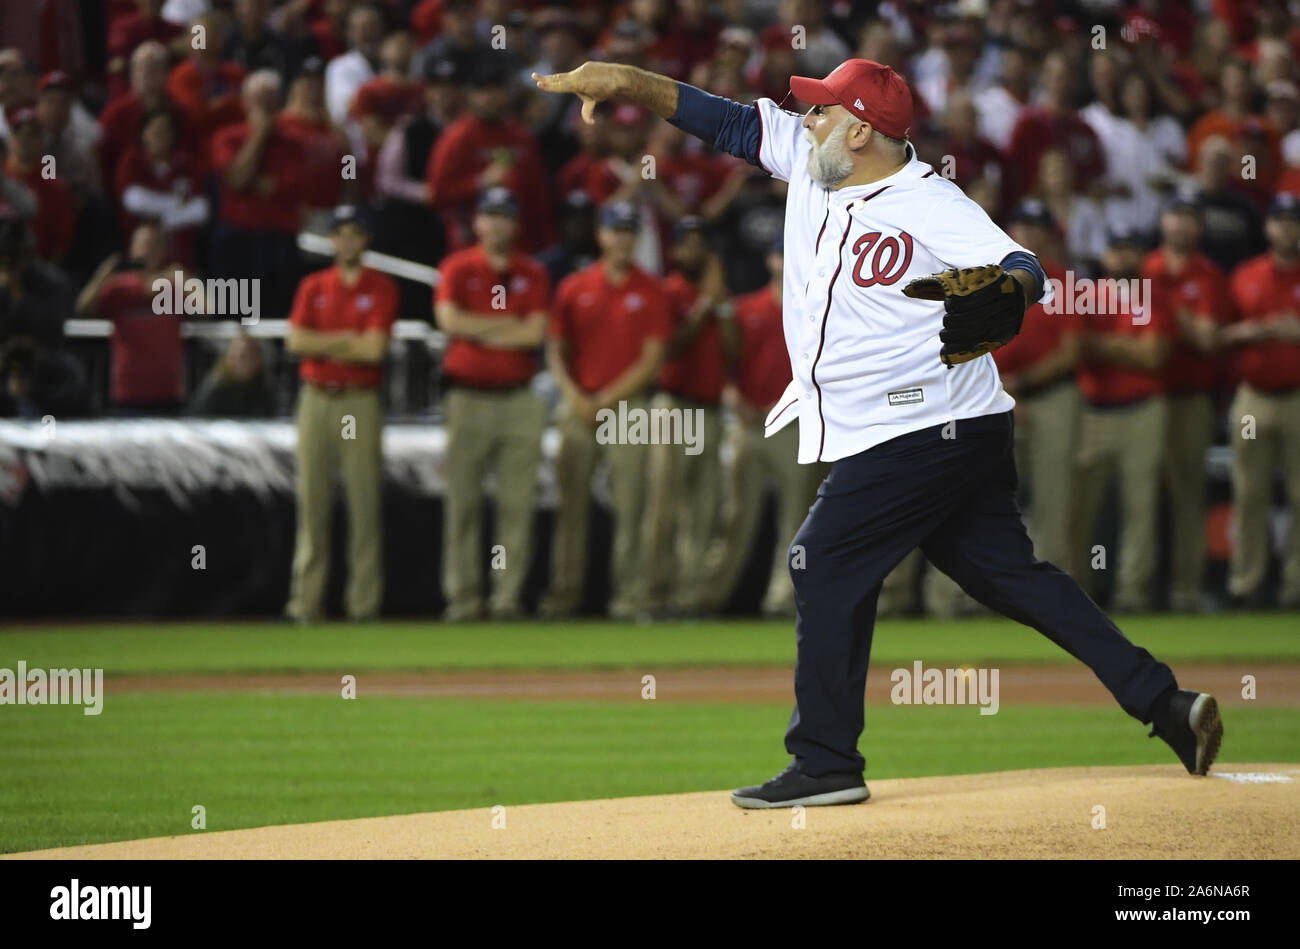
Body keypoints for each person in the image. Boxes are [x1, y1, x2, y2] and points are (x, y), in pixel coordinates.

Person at [533, 56, 1223, 809]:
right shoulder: (812, 160)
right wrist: (620, 81)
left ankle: (826, 760)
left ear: (859, 131)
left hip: (927, 423)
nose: (807, 118)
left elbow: (1020, 264)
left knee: (820, 560)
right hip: (942, 424)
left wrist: (1012, 292)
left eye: (823, 109)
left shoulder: (928, 200)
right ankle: (1166, 703)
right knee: (1007, 575)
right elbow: (719, 118)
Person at [541, 202, 671, 620]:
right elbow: (556, 350)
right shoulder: (575, 286)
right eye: (615, 230)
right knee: (570, 506)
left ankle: (629, 598)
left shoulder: (651, 289)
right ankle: (565, 595)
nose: (622, 239)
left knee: (632, 506)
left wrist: (604, 400)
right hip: (579, 403)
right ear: (601, 235)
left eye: (629, 231)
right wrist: (576, 396)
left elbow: (652, 359)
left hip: (628, 408)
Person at [434, 188, 550, 621]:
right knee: (462, 503)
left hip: (519, 398)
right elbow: (449, 322)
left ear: (515, 224)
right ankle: (463, 599)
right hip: (467, 397)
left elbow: (534, 333)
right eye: (491, 215)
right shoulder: (458, 267)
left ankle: (506, 599)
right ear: (478, 222)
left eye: (505, 216)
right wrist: (508, 327)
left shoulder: (531, 272)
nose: (498, 224)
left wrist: (477, 329)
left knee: (516, 506)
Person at [284, 205, 398, 623]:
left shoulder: (380, 286)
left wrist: (324, 342)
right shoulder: (314, 285)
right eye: (341, 233)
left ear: (366, 239)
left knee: (363, 503)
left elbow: (374, 349)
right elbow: (296, 341)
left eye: (355, 233)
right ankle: (305, 604)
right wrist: (349, 339)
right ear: (331, 239)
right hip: (317, 397)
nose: (347, 241)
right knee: (312, 503)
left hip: (358, 400)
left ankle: (363, 605)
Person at [699, 239, 819, 616]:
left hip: (796, 425)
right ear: (770, 260)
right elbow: (726, 362)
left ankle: (782, 599)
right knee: (735, 516)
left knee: (796, 519)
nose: (784, 260)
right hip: (751, 424)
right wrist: (733, 394)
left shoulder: (815, 308)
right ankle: (708, 597)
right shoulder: (746, 308)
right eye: (779, 253)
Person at [1070, 227, 1176, 611]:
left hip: (1143, 409)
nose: (1121, 256)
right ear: (1105, 256)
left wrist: (1106, 347)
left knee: (1140, 507)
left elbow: (1154, 357)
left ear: (1141, 256)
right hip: (1093, 411)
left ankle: (1133, 594)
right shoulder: (1085, 295)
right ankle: (1074, 590)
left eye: (1129, 249)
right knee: (1079, 507)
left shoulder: (1154, 296)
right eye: (1115, 249)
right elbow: (1077, 348)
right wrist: (1126, 348)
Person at [1141, 199, 1230, 612]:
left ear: (1199, 226)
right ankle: (1138, 590)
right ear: (1163, 222)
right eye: (1174, 217)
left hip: (1189, 399)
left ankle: (1185, 590)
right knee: (1141, 498)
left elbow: (1208, 340)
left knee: (1187, 496)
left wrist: (1162, 311)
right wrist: (1181, 319)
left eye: (1189, 219)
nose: (1180, 226)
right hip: (1142, 397)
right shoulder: (1145, 268)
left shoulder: (1208, 275)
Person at [644, 217, 733, 616]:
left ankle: (690, 596)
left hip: (710, 411)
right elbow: (671, 347)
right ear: (675, 250)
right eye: (687, 244)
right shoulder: (666, 291)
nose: (694, 251)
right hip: (674, 407)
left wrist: (721, 303)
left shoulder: (721, 297)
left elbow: (735, 351)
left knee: (704, 508)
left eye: (701, 244)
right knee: (664, 505)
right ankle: (651, 594)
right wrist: (704, 305)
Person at [1222, 194, 1300, 609]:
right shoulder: (1247, 274)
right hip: (1253, 396)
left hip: (1297, 396)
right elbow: (1219, 334)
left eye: (1294, 221)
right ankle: (1246, 586)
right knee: (1250, 493)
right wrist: (1252, 331)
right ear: (1268, 227)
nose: (1287, 227)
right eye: (1280, 220)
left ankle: (1295, 588)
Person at [75, 222, 186, 415]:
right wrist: (101, 276)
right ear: (132, 249)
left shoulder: (175, 284)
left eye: (154, 244)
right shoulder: (118, 287)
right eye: (143, 244)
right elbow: (82, 308)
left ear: (164, 250)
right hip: (128, 393)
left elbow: (207, 309)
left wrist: (187, 280)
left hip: (168, 393)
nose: (147, 251)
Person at [190, 334, 275, 417]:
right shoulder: (214, 391)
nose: (243, 363)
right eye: (239, 357)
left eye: (249, 357)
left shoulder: (266, 388)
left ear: (259, 359)